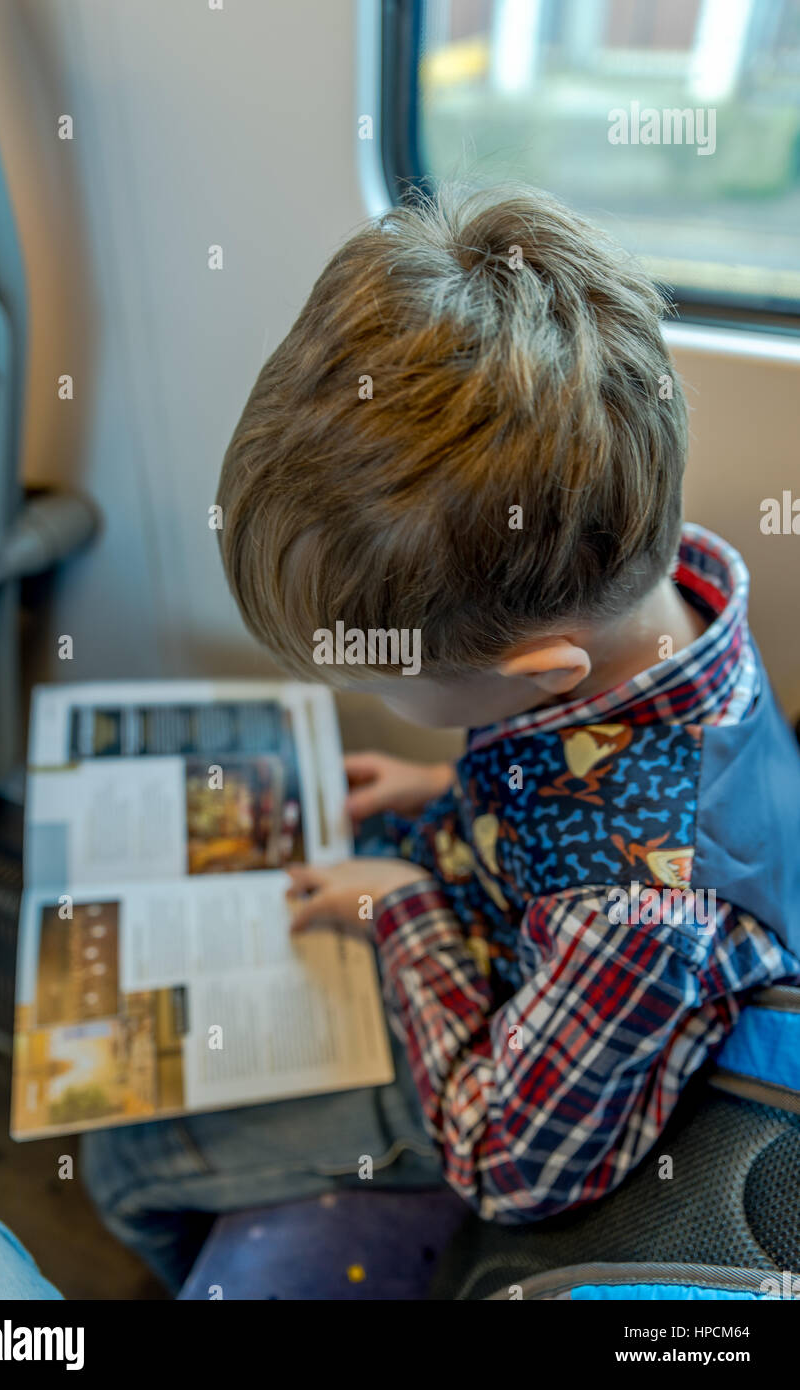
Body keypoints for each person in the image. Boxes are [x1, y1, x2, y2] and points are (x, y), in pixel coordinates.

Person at [83, 183, 800, 1291]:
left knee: (131, 1147)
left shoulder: (629, 910)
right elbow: (582, 781)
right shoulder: (664, 600)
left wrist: (399, 907)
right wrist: (441, 785)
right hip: (531, 920)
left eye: (388, 685)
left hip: (537, 1065)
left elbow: (504, 1161)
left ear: (532, 673)